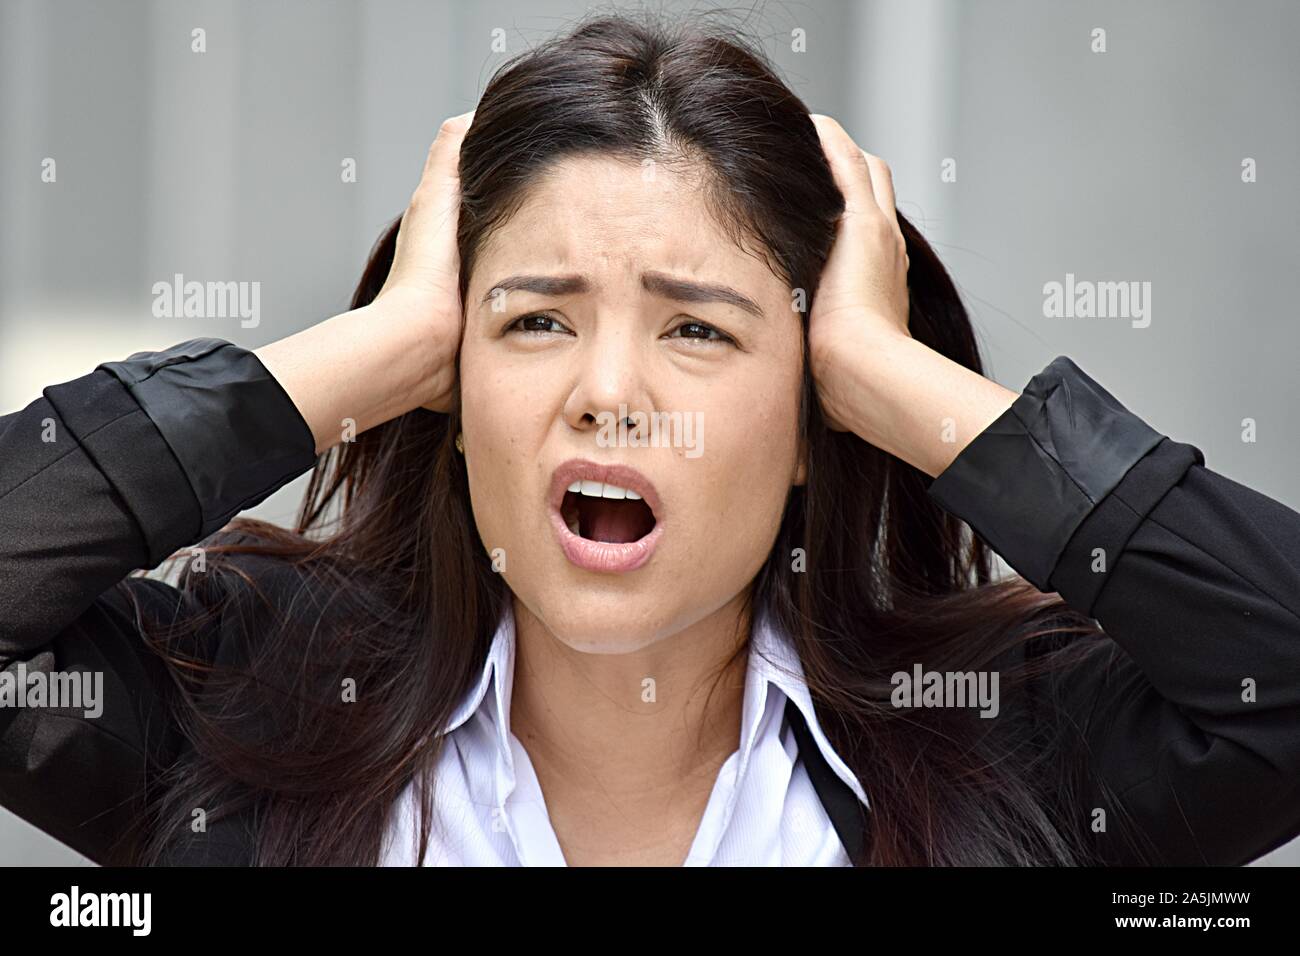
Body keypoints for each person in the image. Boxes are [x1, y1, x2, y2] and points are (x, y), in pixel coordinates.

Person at [3, 13, 1299, 867]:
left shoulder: (998, 764)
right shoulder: (251, 727)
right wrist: (362, 357)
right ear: (441, 390)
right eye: (536, 324)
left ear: (813, 426)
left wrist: (890, 379)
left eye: (698, 332)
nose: (608, 391)